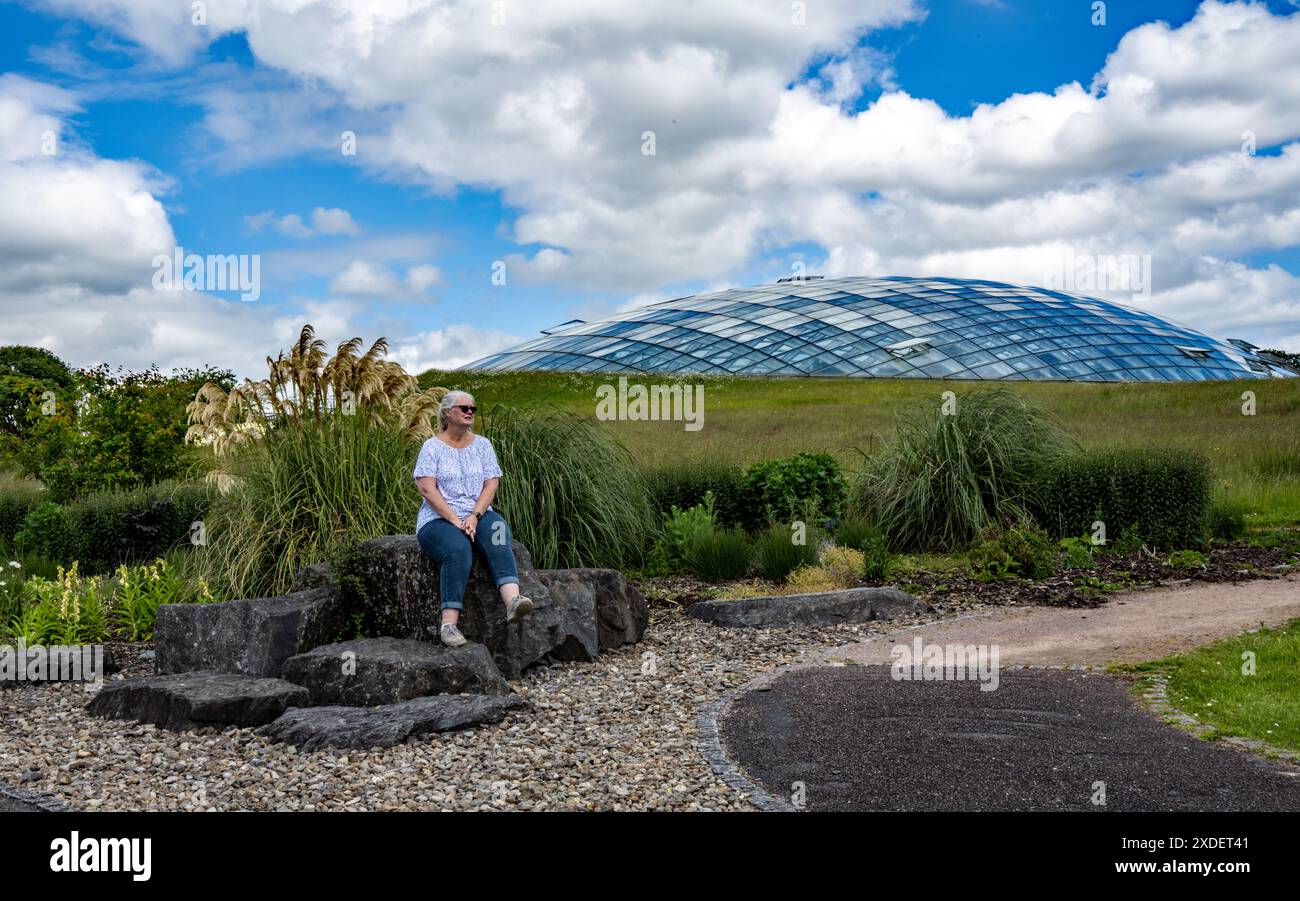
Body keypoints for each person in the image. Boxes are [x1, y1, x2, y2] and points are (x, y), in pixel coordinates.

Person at [413, 391, 533, 647]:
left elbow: (491, 484)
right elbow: (427, 489)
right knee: (458, 549)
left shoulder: (483, 445)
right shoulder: (431, 447)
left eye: (473, 409)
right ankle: (449, 626)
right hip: (438, 518)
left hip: (478, 513)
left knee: (499, 529)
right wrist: (456, 520)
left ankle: (513, 601)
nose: (470, 411)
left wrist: (476, 516)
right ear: (447, 413)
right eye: (464, 407)